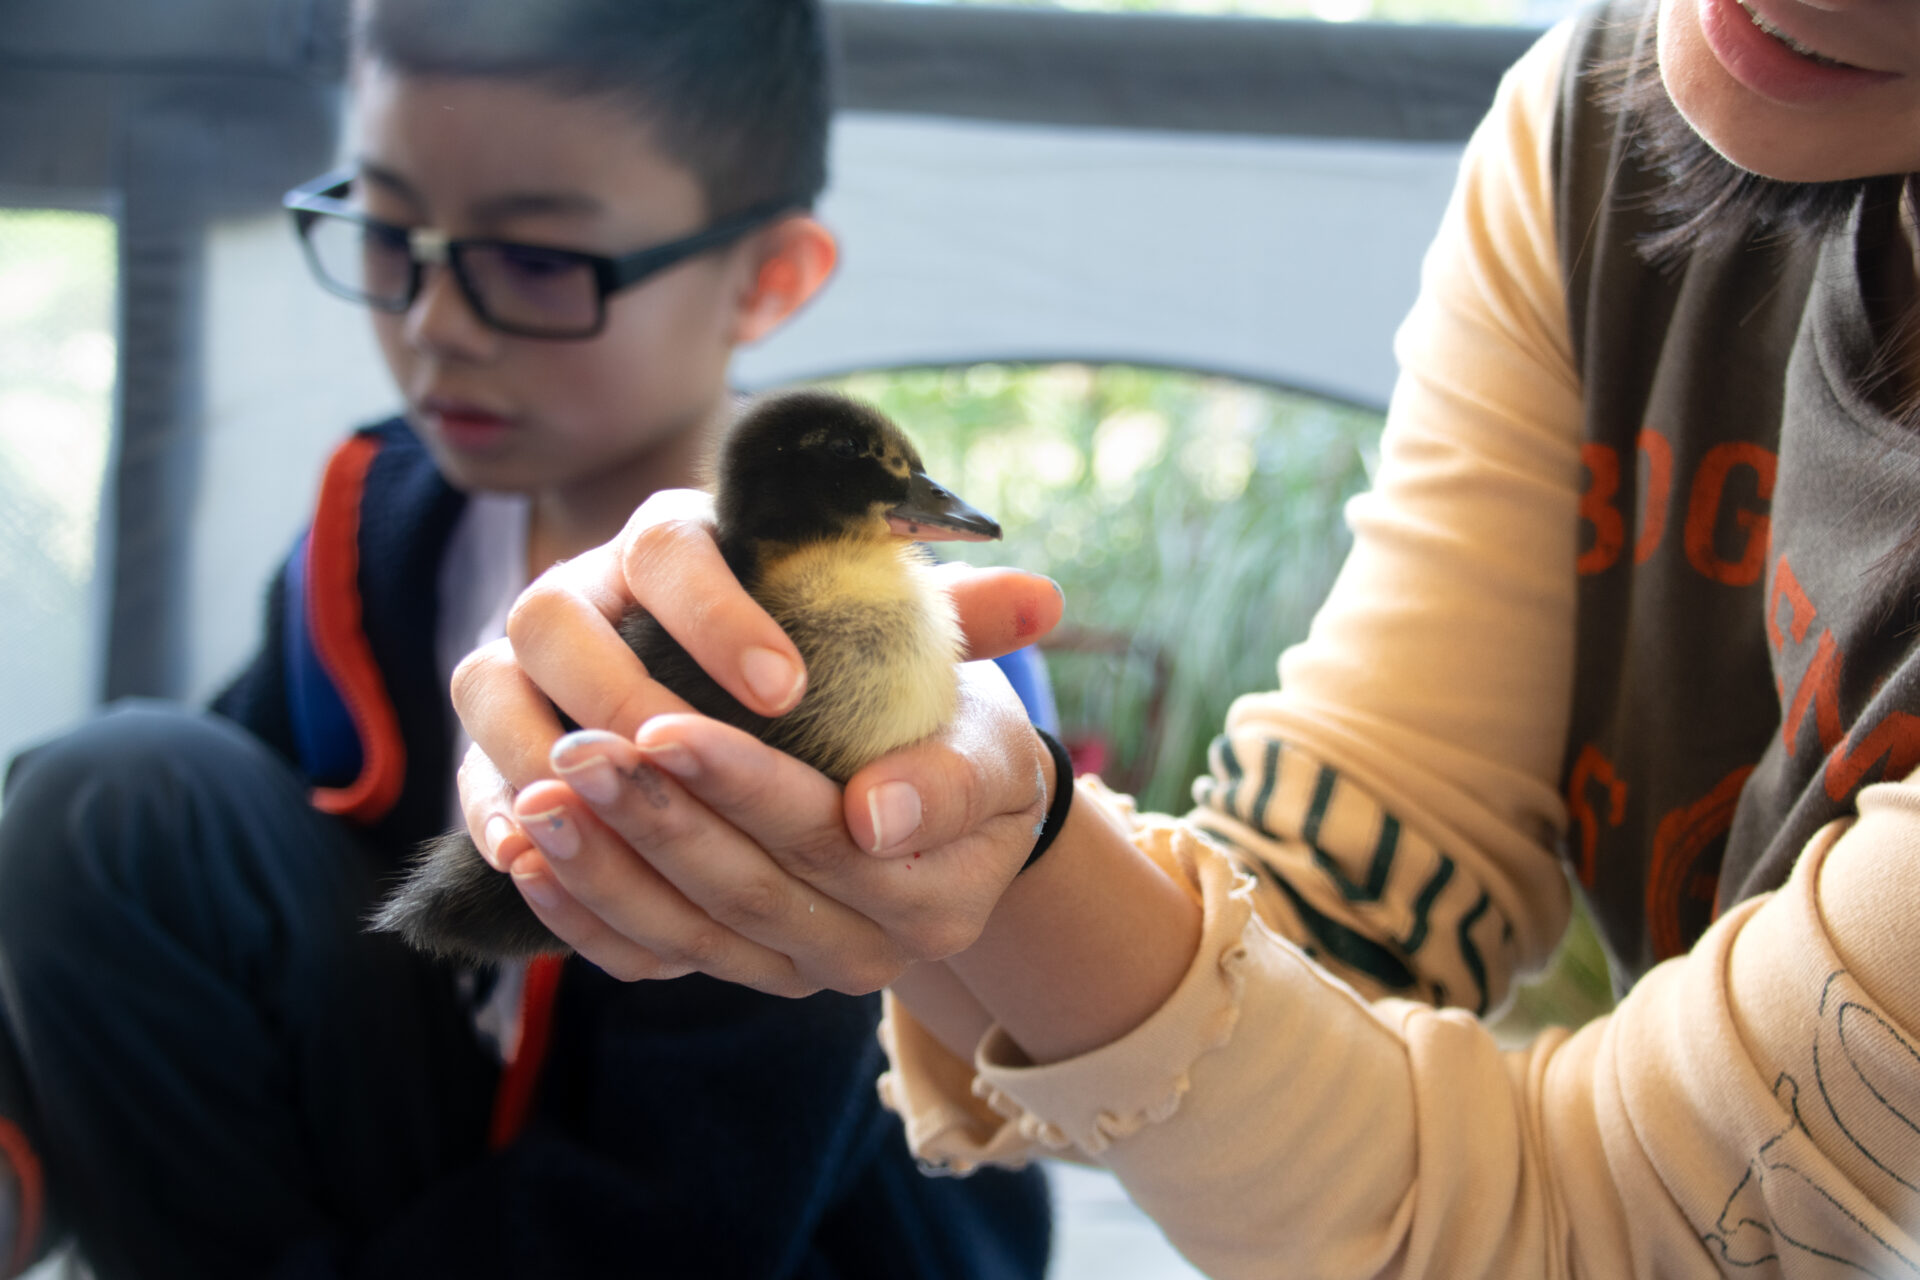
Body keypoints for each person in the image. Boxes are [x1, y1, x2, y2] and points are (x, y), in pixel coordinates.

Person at [437, 0, 1920, 1273]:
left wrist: (984, 847)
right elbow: (1320, 951)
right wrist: (977, 844)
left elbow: (1587, 1232)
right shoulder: (1608, 118)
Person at [0, 0, 1057, 1275]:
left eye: (539, 261)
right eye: (390, 234)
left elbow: (706, 1192)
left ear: (767, 276)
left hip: (772, 1225)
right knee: (111, 797)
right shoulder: (382, 531)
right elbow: (184, 877)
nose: (437, 319)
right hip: (433, 1132)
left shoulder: (875, 648)